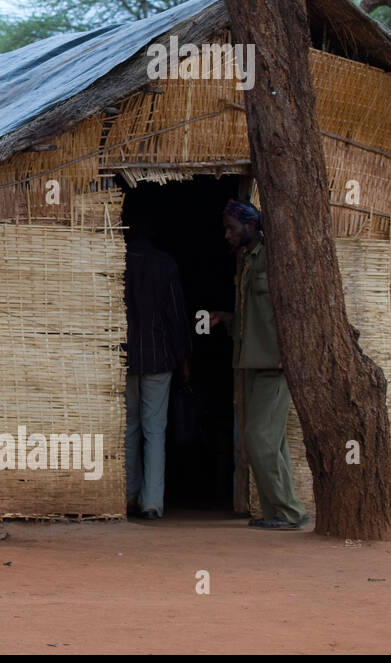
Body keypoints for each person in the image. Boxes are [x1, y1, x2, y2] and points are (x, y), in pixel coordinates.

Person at [209, 199, 309, 530]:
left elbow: (294, 308)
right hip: (254, 360)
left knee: (258, 438)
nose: (227, 235)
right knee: (271, 440)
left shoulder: (273, 257)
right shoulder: (249, 260)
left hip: (275, 363)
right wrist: (225, 319)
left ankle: (290, 511)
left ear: (251, 226)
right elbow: (255, 316)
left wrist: (290, 351)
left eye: (232, 228)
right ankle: (275, 513)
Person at [123, 215, 192, 520]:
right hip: (159, 359)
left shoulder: (116, 260)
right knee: (155, 431)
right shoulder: (165, 264)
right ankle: (151, 503)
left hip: (124, 358)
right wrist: (184, 359)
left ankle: (128, 495)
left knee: (128, 428)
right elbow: (176, 316)